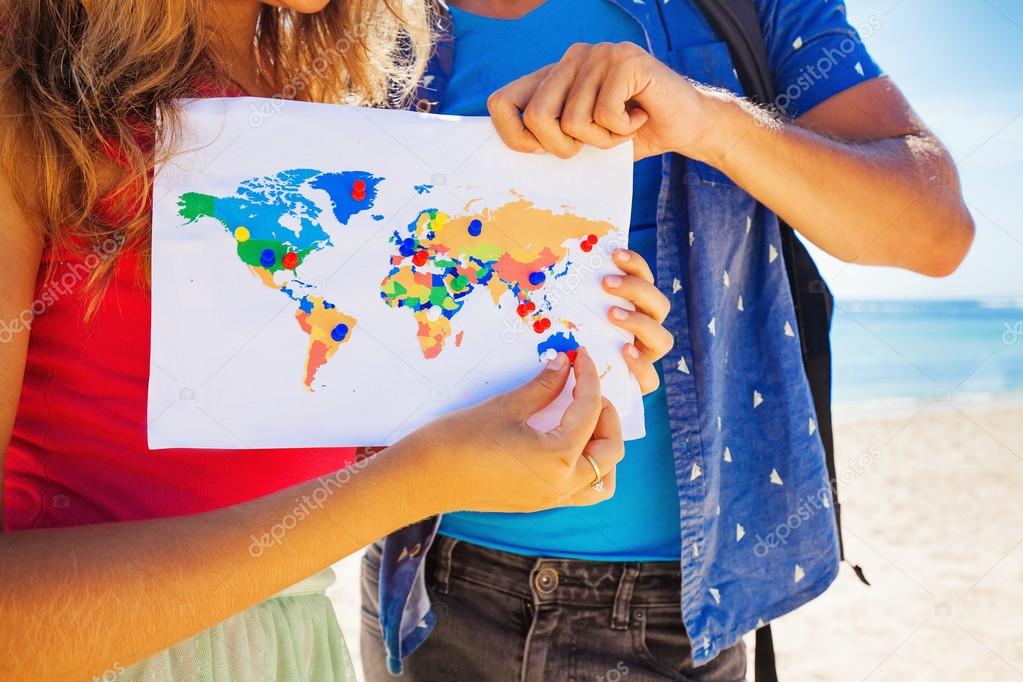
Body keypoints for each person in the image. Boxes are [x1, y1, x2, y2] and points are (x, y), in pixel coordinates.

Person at [0, 1, 667, 680]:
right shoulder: (19, 86)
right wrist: (412, 483)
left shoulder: (315, 84)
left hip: (293, 650)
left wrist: (566, 346)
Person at [360, 0, 975, 680]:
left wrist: (712, 122)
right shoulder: (372, 15)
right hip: (414, 572)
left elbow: (935, 229)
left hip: (672, 608)